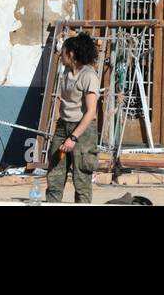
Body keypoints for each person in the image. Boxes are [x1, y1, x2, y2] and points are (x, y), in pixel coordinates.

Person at [45, 32, 100, 203]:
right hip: (63, 126)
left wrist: (74, 137)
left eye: (63, 52)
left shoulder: (89, 76)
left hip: (82, 130)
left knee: (81, 178)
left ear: (72, 54)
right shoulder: (66, 72)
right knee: (54, 172)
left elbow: (91, 112)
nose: (60, 55)